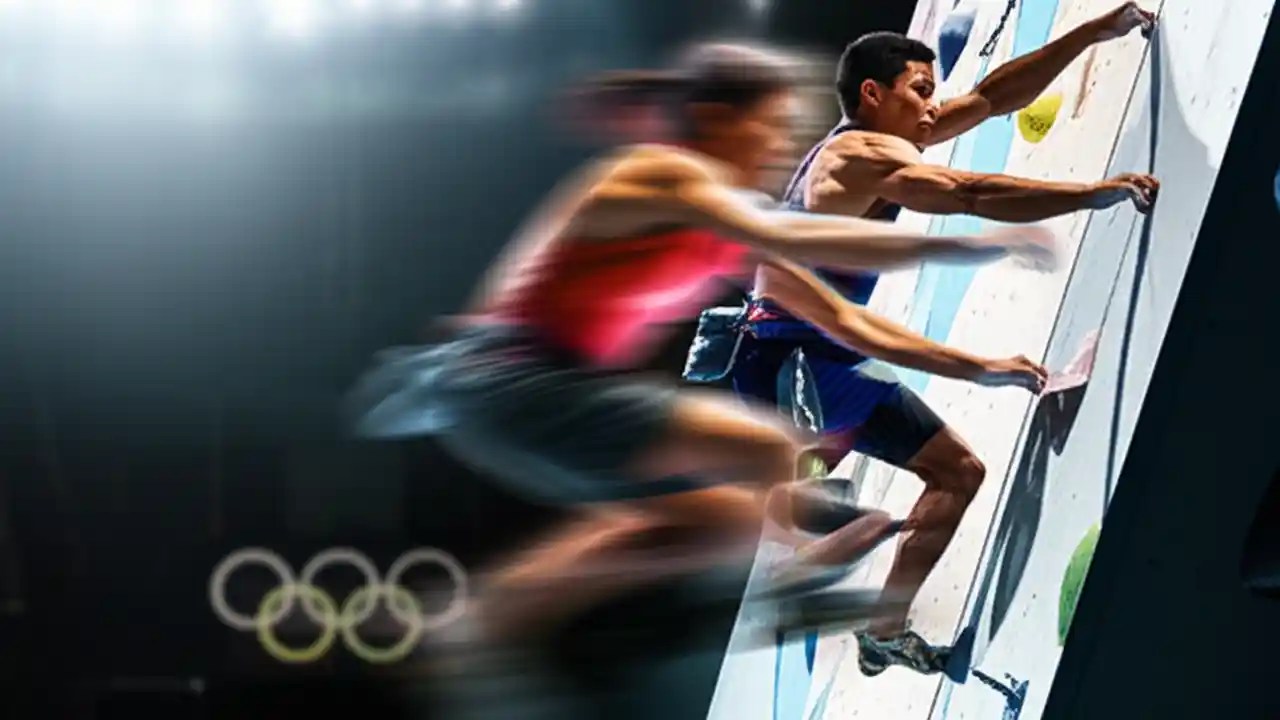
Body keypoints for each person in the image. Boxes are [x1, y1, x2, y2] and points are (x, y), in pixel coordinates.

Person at [346, 43, 1060, 661]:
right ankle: (782, 585)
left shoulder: (724, 218)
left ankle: (492, 616)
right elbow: (809, 242)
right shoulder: (672, 175)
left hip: (505, 394)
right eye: (773, 124)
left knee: (701, 517)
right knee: (763, 461)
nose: (782, 145)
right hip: (511, 378)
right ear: (722, 121)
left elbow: (818, 252)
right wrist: (962, 243)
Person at [691, 2, 1159, 677]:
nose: (934, 109)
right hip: (790, 361)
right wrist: (1090, 194)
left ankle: (881, 630)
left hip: (804, 354)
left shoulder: (877, 141)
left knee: (956, 474)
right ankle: (780, 548)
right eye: (920, 92)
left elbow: (993, 98)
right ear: (873, 95)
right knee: (819, 500)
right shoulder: (860, 156)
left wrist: (1091, 32)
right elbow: (968, 191)